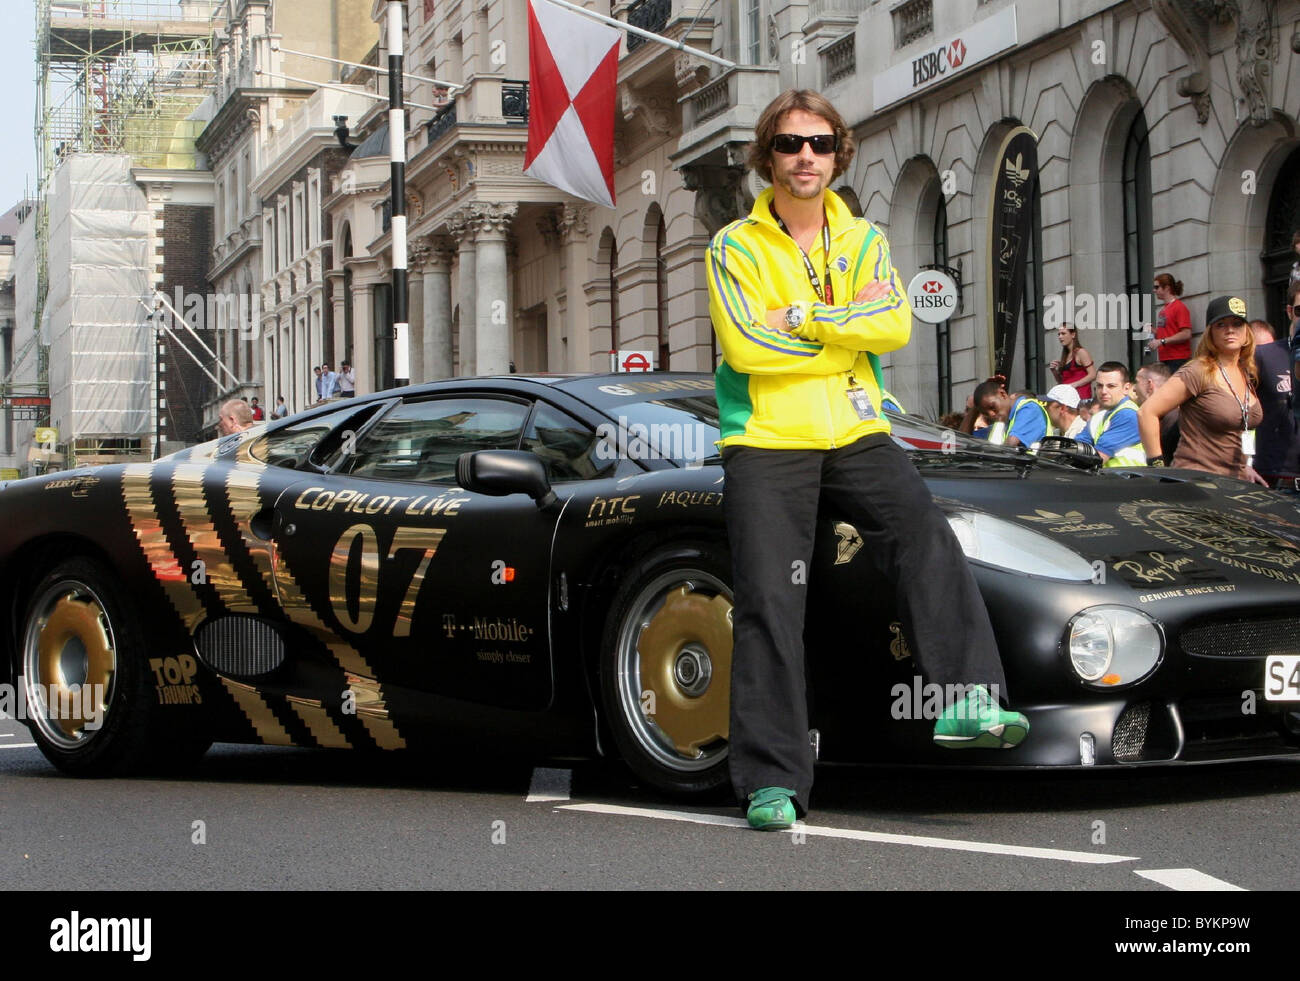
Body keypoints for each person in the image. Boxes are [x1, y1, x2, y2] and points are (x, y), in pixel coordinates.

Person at [707, 89, 1028, 831]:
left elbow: (893, 326)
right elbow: (747, 346)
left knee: (923, 534)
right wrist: (843, 332)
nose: (805, 156)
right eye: (789, 144)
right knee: (768, 600)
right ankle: (770, 779)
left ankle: (970, 700)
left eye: (819, 143)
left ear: (838, 153)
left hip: (856, 429)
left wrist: (811, 318)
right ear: (768, 157)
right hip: (765, 438)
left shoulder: (867, 241)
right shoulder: (733, 246)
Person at [1138, 295, 1265, 484]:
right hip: (1196, 484)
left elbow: (1237, 430)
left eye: (1237, 324)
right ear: (1210, 333)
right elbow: (1146, 412)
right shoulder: (1198, 370)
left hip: (1235, 485)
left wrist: (1246, 466)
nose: (1230, 330)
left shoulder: (1246, 373)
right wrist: (1158, 471)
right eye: (1221, 324)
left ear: (1246, 332)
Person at [1249, 319, 1298, 486]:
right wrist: (1245, 461)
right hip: (1276, 478)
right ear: (1290, 311)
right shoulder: (1264, 356)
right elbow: (1242, 413)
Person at [1078, 362, 1146, 467]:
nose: (1103, 391)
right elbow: (1077, 447)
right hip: (1109, 480)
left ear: (1126, 388)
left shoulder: (1128, 415)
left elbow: (1096, 460)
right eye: (1100, 385)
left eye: (1111, 386)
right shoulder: (1099, 417)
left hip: (1128, 480)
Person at [966, 378, 1051, 449]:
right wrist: (975, 407)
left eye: (992, 407)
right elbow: (964, 440)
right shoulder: (1004, 422)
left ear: (1003, 394)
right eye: (986, 414)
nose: (991, 414)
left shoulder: (1029, 408)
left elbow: (1010, 448)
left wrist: (1000, 422)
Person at [1135, 362, 1180, 464]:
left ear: (1150, 385)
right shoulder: (1174, 417)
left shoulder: (1173, 422)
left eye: (1137, 382)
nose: (1134, 388)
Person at [1147, 272, 1192, 373]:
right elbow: (1167, 332)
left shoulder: (1179, 307)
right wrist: (1154, 331)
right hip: (1165, 358)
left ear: (1167, 288)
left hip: (1177, 358)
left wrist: (1161, 341)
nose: (1154, 290)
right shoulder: (1164, 310)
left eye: (1157, 287)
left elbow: (1186, 333)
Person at [1047, 324, 1095, 400]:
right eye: (1059, 334)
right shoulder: (1065, 355)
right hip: (1067, 398)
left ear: (1073, 335)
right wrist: (1054, 370)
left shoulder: (1080, 352)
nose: (1060, 337)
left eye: (1063, 333)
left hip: (1080, 398)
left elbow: (1093, 375)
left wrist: (1073, 385)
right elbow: (1061, 381)